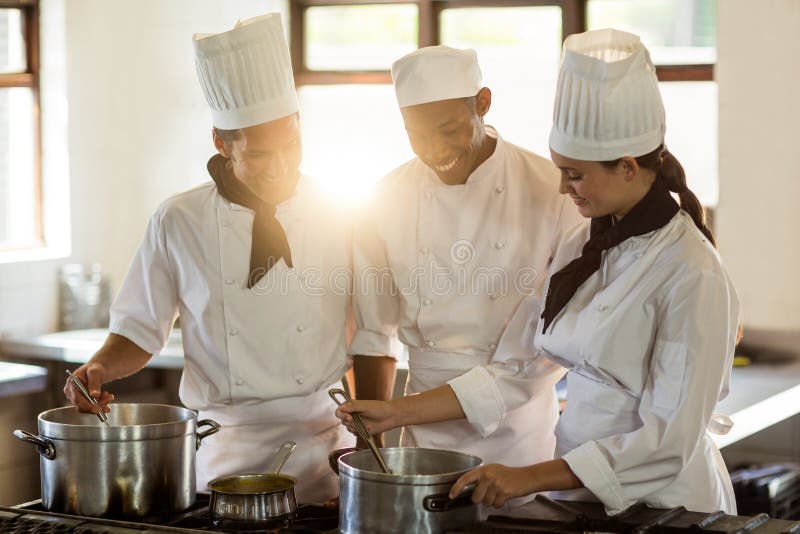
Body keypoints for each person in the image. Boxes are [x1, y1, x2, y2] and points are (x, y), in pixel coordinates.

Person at [443, 28, 740, 514]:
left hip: (664, 506)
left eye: (575, 174)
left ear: (627, 166)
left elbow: (668, 440)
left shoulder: (693, 271)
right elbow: (523, 360)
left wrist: (528, 478)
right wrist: (397, 413)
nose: (563, 189)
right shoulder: (586, 242)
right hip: (580, 494)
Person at [63, 13, 352, 502]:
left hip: (324, 453)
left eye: (291, 145)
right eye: (260, 154)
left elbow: (367, 331)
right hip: (220, 452)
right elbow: (138, 330)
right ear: (222, 142)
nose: (281, 166)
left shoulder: (340, 211)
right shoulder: (179, 219)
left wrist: (375, 443)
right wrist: (96, 369)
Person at [343, 45, 582, 500]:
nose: (434, 150)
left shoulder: (553, 189)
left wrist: (400, 412)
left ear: (483, 103)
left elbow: (557, 338)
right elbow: (375, 330)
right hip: (422, 430)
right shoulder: (385, 197)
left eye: (449, 128)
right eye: (416, 134)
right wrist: (367, 442)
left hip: (520, 434)